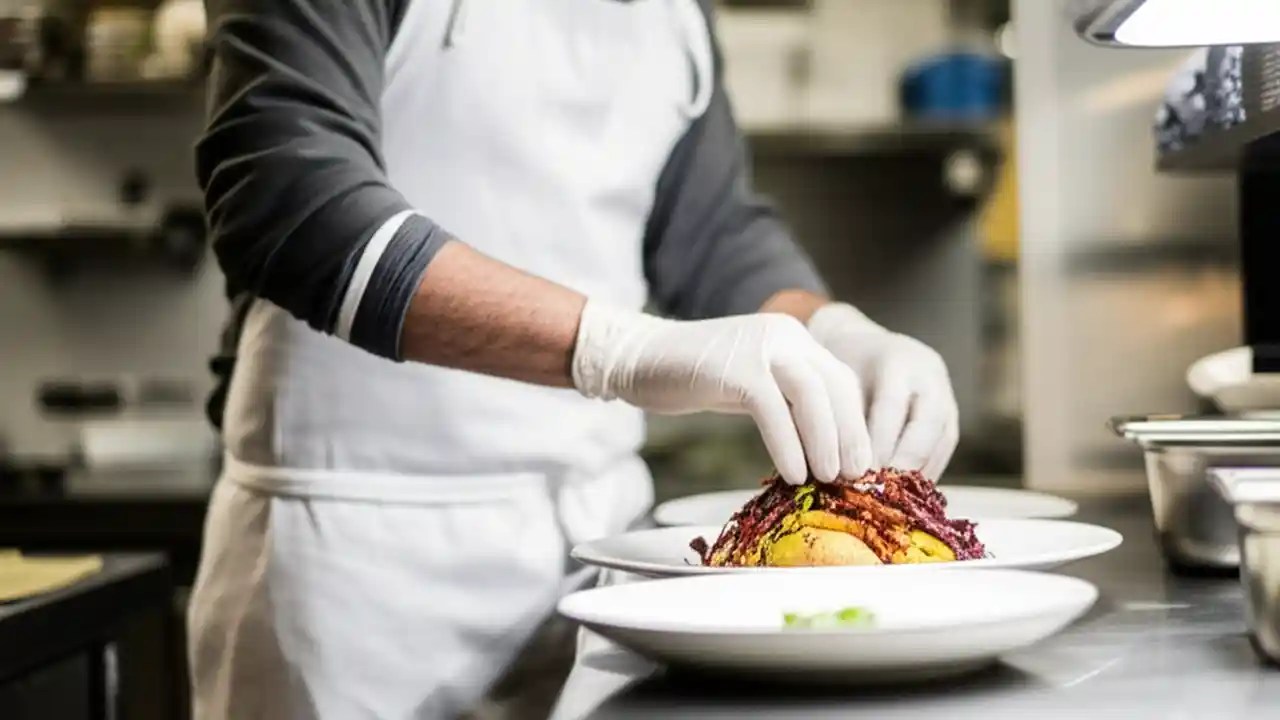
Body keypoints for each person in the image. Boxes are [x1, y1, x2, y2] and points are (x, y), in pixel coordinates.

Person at [187, 0, 959, 718]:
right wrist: (614, 349)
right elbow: (288, 195)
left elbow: (712, 231)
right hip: (357, 553)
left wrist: (832, 329)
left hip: (597, 546)